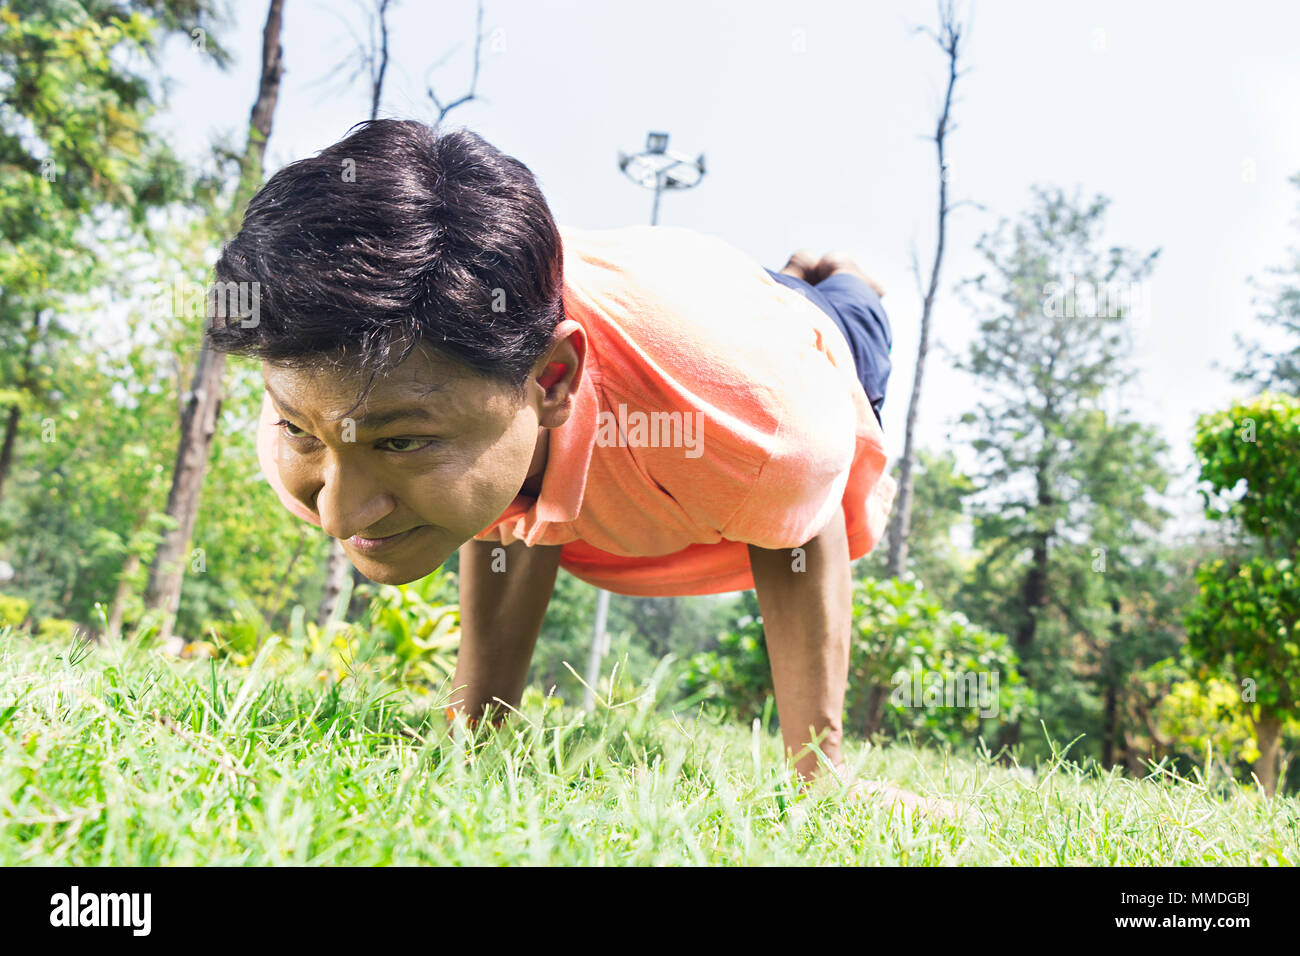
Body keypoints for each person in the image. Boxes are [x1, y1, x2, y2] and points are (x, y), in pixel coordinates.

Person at [208, 118, 950, 816]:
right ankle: (782, 273)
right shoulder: (340, 378)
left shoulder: (758, 428)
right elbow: (507, 503)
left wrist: (818, 775)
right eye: (302, 430)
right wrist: (477, 728)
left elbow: (801, 529)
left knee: (839, 305)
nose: (338, 515)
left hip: (803, 335)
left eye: (399, 443)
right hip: (634, 296)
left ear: (553, 380)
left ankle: (830, 274)